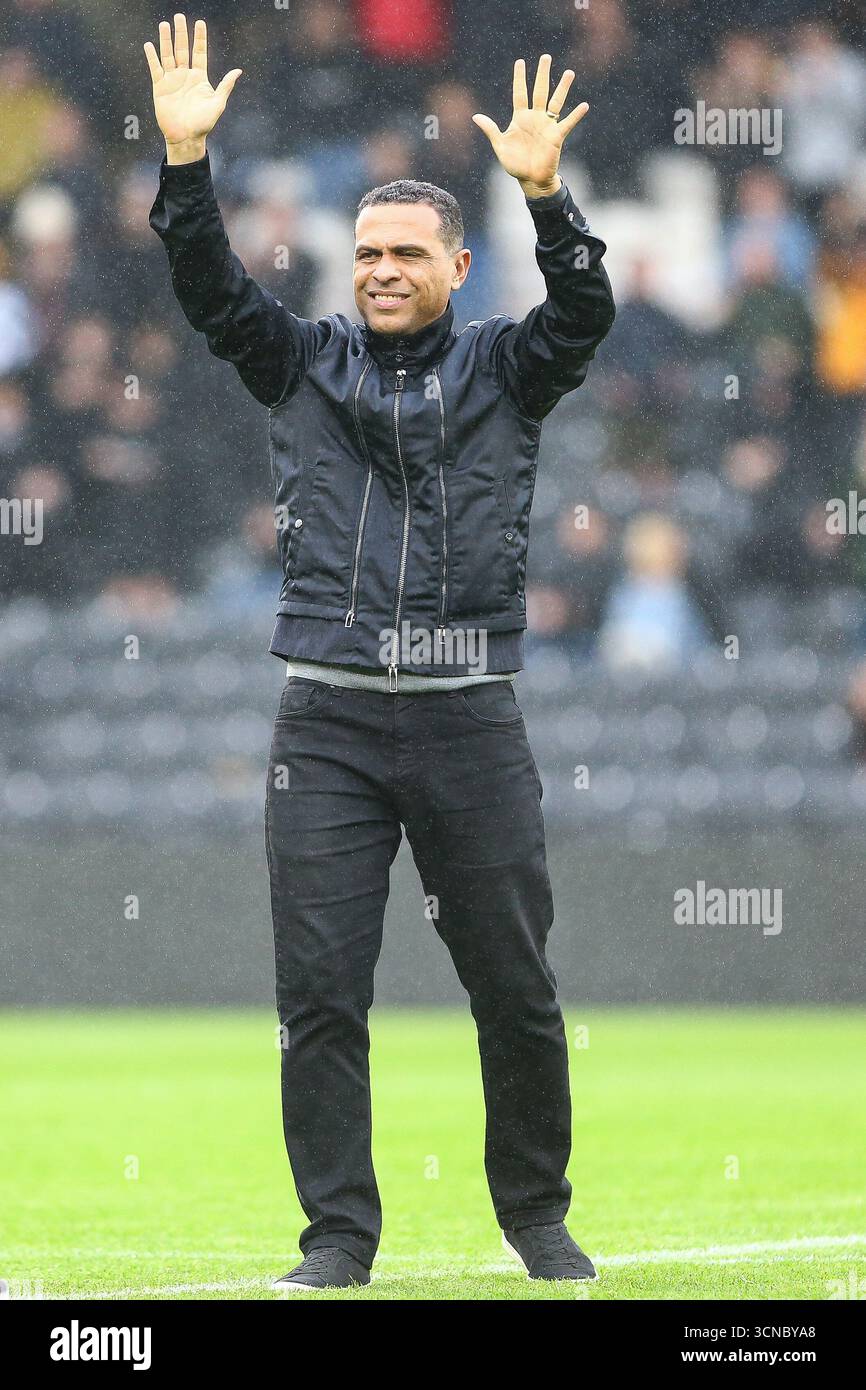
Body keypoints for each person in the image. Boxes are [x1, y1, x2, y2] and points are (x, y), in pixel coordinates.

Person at [144, 15, 615, 1291]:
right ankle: (338, 1242)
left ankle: (537, 1222)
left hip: (470, 715)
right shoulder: (298, 363)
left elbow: (585, 307)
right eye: (366, 253)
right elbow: (208, 290)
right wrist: (185, 169)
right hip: (328, 728)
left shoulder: (509, 369)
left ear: (459, 265)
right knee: (319, 1000)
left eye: (407, 252)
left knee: (513, 990)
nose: (382, 270)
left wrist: (544, 195)